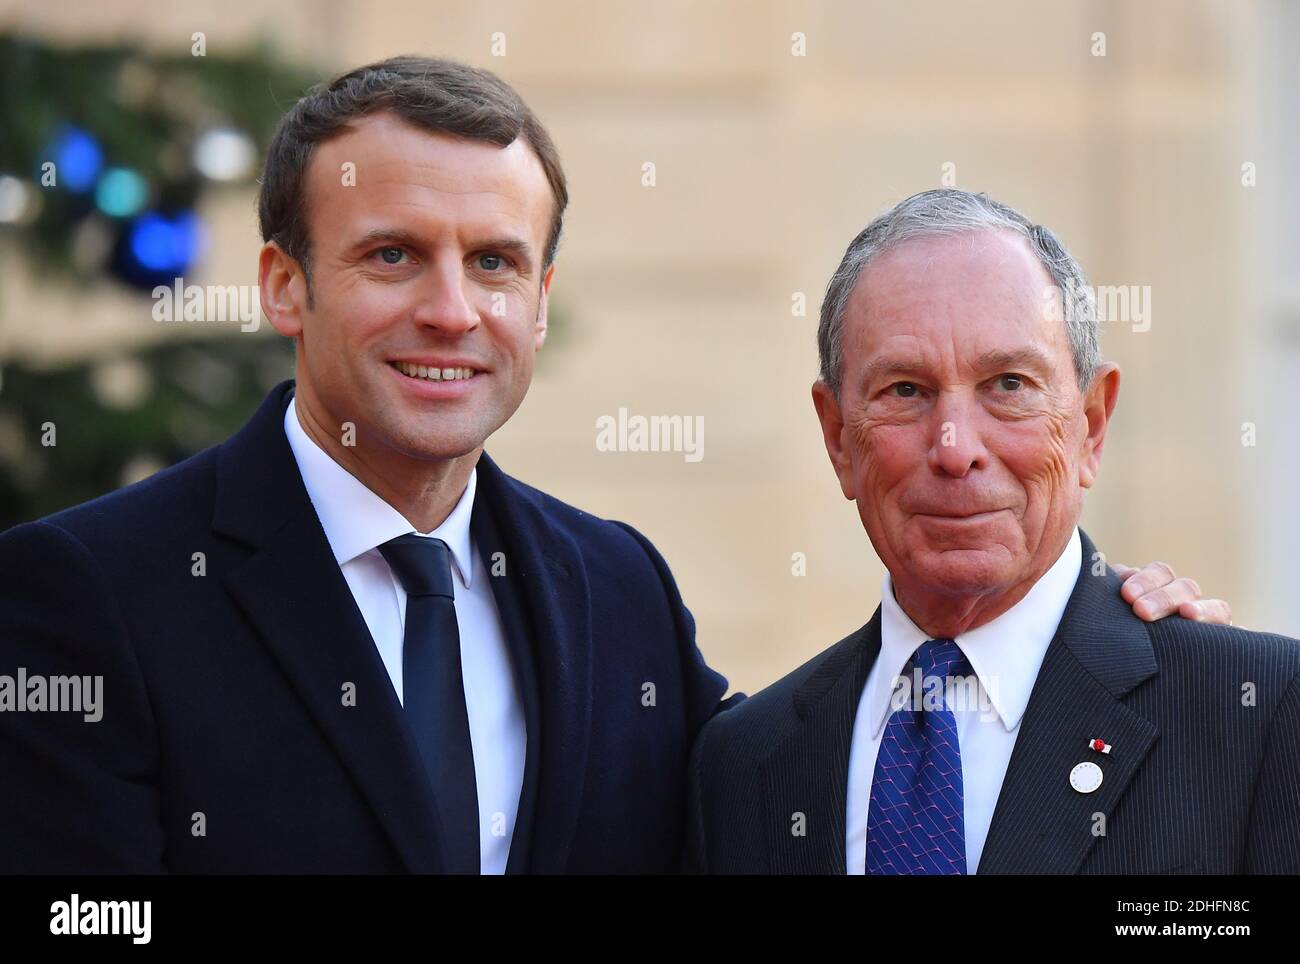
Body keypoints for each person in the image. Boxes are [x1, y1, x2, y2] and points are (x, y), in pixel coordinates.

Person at [0, 63, 1221, 874]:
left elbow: (785, 777)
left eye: (492, 261)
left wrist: (1096, 646)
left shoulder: (613, 586)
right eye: (389, 255)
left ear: (538, 300)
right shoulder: (87, 596)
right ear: (284, 286)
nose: (447, 308)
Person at [685, 189, 1297, 875]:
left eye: (1008, 384)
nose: (955, 447)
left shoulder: (1260, 716)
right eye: (906, 391)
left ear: (1091, 424)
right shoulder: (744, 764)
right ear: (837, 439)